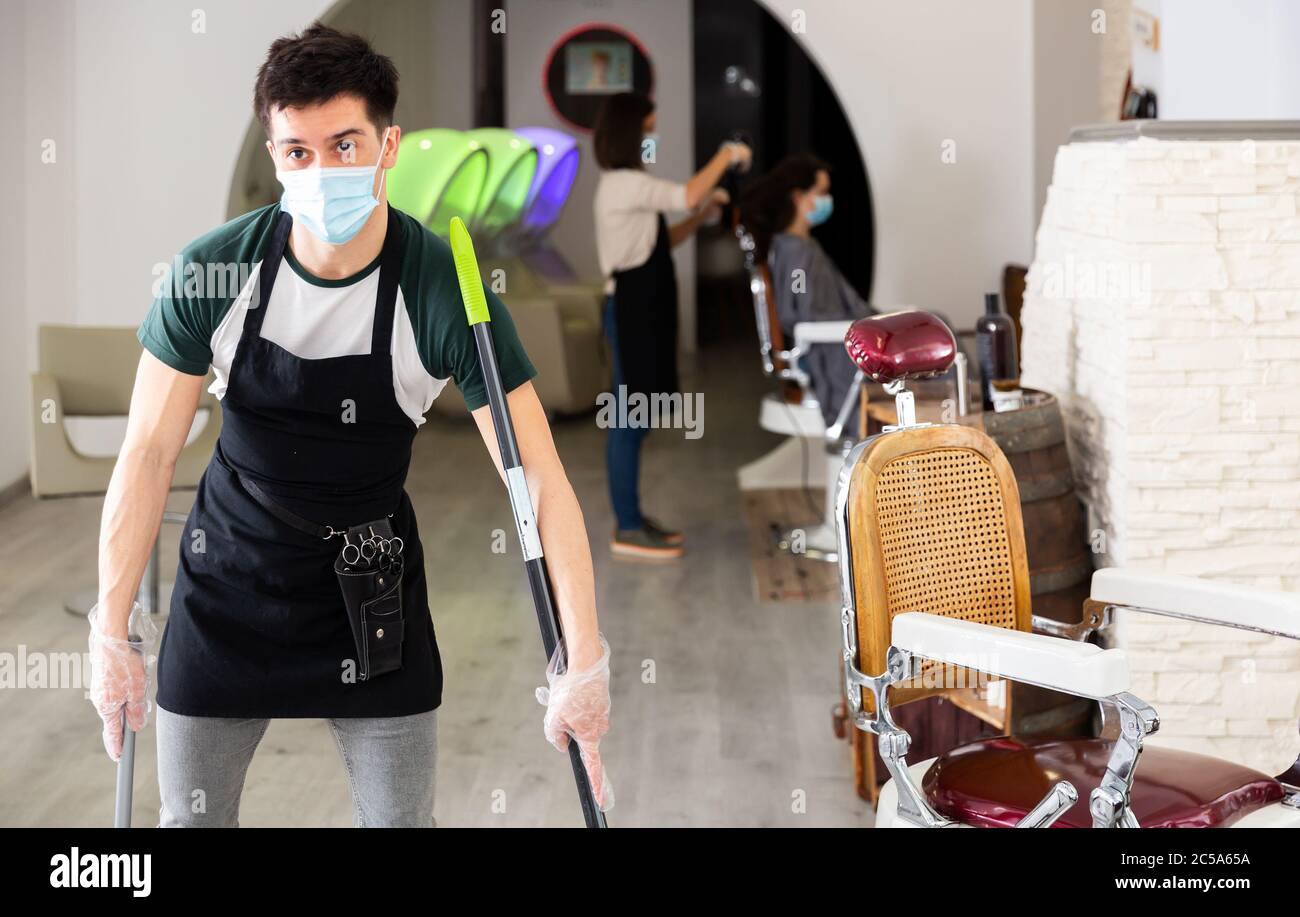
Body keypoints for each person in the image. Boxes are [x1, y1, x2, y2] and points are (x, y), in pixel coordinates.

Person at [86, 22, 612, 827]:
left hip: (371, 600)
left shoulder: (442, 291)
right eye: (297, 151)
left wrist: (585, 659)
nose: (321, 169)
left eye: (344, 144)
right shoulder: (212, 272)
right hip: (227, 588)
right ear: (274, 155)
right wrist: (110, 626)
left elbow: (534, 475)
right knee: (189, 821)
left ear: (388, 145)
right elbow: (150, 452)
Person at [592, 92, 751, 560]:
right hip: (629, 312)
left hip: (642, 311)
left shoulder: (632, 185)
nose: (652, 137)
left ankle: (635, 519)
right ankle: (626, 526)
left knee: (637, 418)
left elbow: (667, 237)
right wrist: (728, 153)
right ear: (630, 132)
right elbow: (687, 193)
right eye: (648, 128)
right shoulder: (622, 184)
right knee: (626, 419)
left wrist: (702, 217)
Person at [740, 154, 875, 435]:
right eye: (822, 193)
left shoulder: (801, 248)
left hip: (839, 341)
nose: (828, 200)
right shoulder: (796, 254)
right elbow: (801, 316)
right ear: (799, 198)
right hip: (829, 355)